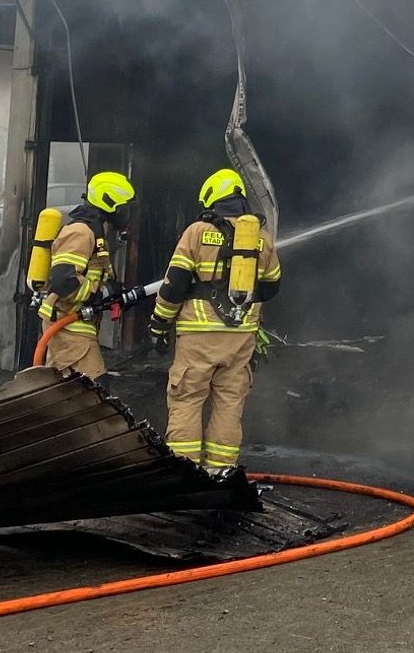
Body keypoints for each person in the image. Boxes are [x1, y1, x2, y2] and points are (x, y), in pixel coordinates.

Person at [150, 168, 282, 479]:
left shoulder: (196, 232)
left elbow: (173, 286)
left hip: (198, 335)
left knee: (187, 398)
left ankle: (184, 473)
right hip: (240, 337)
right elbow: (272, 286)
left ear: (212, 198)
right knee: (229, 402)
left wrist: (159, 324)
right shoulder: (261, 238)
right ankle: (221, 471)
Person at [36, 170, 137, 380]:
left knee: (70, 392)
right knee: (91, 392)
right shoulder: (81, 232)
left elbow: (91, 275)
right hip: (68, 326)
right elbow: (64, 281)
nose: (127, 213)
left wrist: (112, 292)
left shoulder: (97, 232)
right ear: (110, 203)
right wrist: (101, 293)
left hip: (77, 326)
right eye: (125, 206)